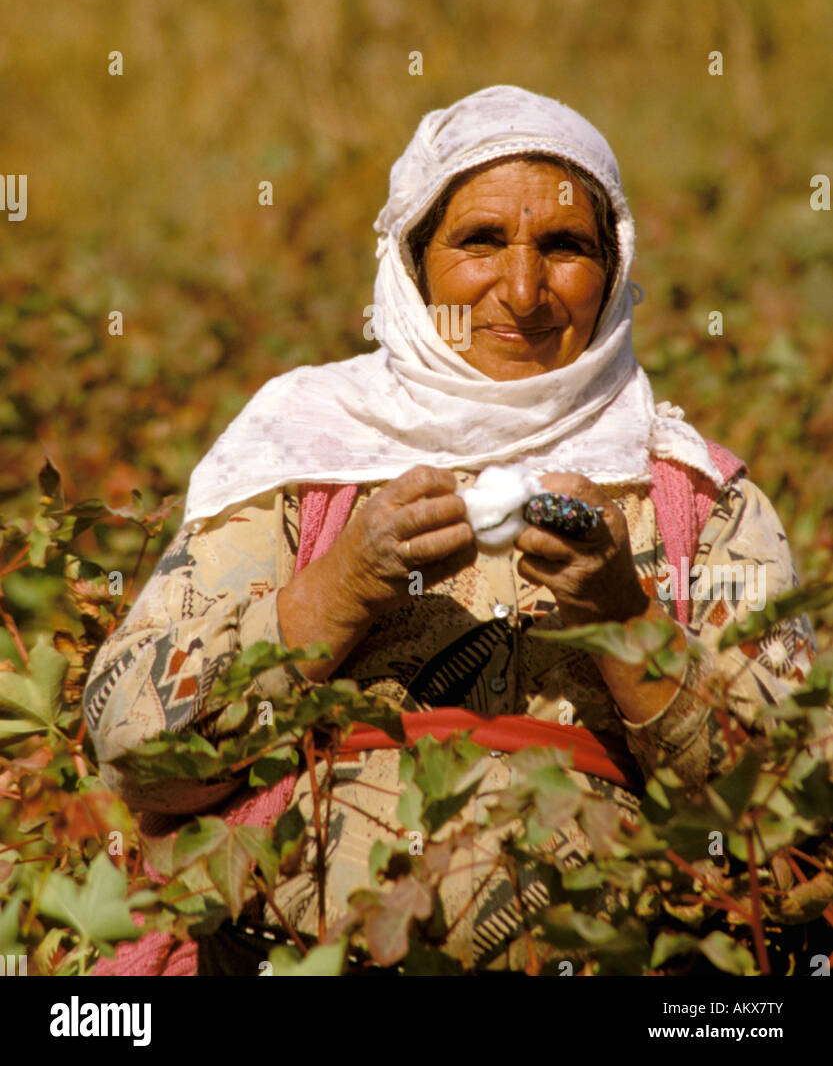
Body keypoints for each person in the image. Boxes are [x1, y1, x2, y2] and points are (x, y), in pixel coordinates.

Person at [84, 84, 816, 971]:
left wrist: (627, 625)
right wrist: (342, 587)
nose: (521, 289)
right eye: (478, 241)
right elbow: (135, 753)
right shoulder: (303, 460)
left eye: (563, 247)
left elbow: (796, 801)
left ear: (612, 269)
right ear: (414, 260)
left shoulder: (694, 496)